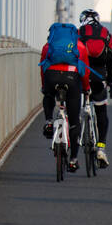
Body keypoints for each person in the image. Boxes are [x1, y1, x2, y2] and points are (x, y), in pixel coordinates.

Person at [40, 20, 91, 173]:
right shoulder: (80, 47)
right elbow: (85, 72)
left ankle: (49, 120)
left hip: (52, 76)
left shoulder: (48, 46)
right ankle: (74, 160)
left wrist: (45, 86)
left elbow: (43, 69)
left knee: (48, 94)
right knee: (74, 121)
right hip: (72, 79)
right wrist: (86, 88)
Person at [77, 9, 112, 167]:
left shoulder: (79, 33)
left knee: (75, 104)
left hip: (82, 76)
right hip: (100, 77)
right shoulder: (106, 34)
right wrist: (110, 80)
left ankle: (72, 139)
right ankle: (101, 147)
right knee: (101, 112)